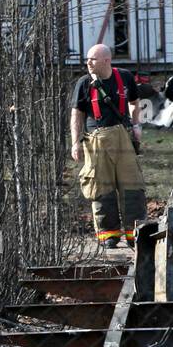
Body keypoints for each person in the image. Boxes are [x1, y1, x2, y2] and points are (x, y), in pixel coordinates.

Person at [71, 43, 147, 249]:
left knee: (132, 186)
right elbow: (76, 115)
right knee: (101, 188)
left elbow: (134, 102)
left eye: (92, 59)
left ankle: (136, 234)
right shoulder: (84, 83)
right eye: (87, 59)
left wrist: (136, 124)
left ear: (106, 60)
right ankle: (108, 235)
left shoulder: (125, 77)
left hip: (123, 137)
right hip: (96, 140)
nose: (88, 63)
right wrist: (75, 143)